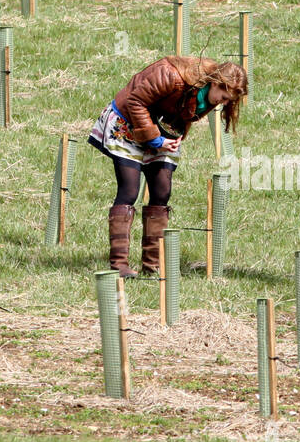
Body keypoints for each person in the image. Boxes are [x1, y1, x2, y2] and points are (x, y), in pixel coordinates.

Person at [88, 56, 247, 278]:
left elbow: (182, 112)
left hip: (161, 130)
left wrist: (169, 138)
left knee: (162, 191)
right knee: (129, 191)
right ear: (215, 83)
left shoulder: (208, 95)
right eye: (224, 97)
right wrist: (155, 139)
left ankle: (152, 265)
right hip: (128, 123)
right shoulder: (171, 75)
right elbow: (135, 102)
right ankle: (119, 265)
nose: (224, 103)